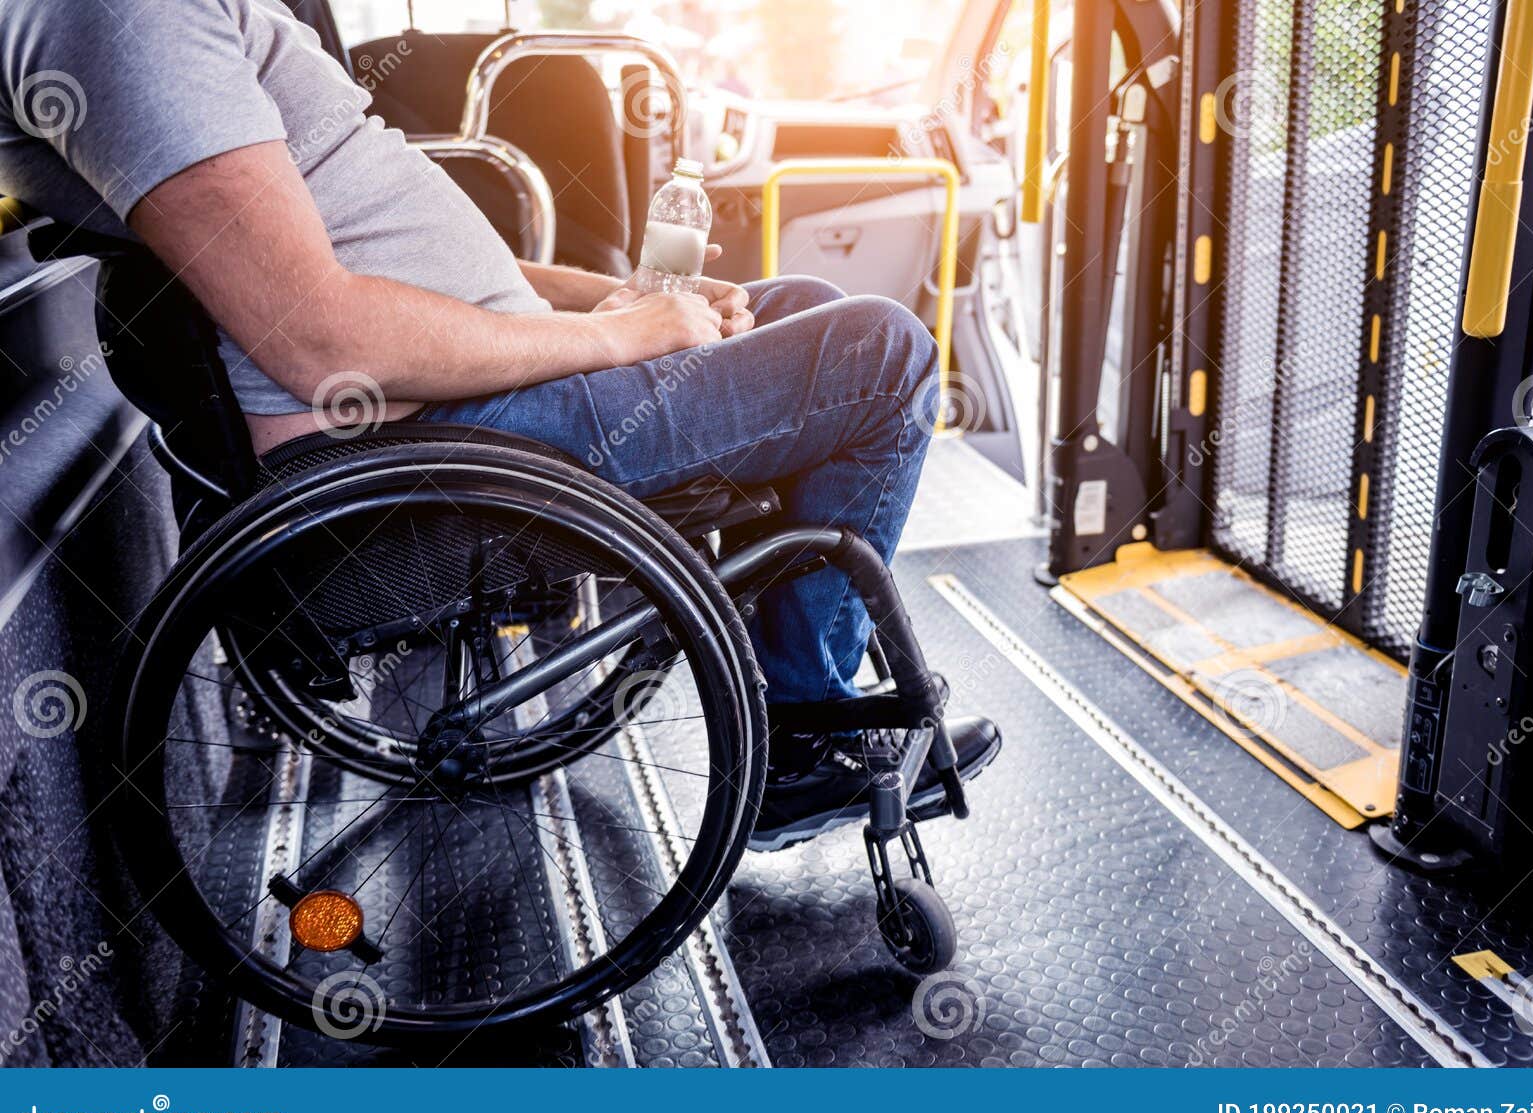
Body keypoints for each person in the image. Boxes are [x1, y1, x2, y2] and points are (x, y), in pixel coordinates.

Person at [0, 0, 998, 850]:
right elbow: (320, 336)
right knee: (883, 354)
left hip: (455, 405)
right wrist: (619, 341)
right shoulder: (122, 19)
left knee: (796, 301)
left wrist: (612, 302)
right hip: (419, 457)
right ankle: (801, 729)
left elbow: (382, 251)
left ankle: (785, 687)